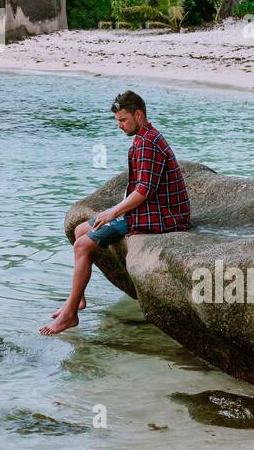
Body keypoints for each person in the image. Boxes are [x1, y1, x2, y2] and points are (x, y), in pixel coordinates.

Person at [40, 90, 191, 336]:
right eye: (117, 121)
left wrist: (112, 212)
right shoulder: (144, 138)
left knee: (82, 246)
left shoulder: (148, 144)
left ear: (138, 115)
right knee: (79, 230)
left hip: (160, 215)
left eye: (123, 120)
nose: (119, 126)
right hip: (148, 209)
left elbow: (144, 191)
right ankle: (77, 299)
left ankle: (70, 316)